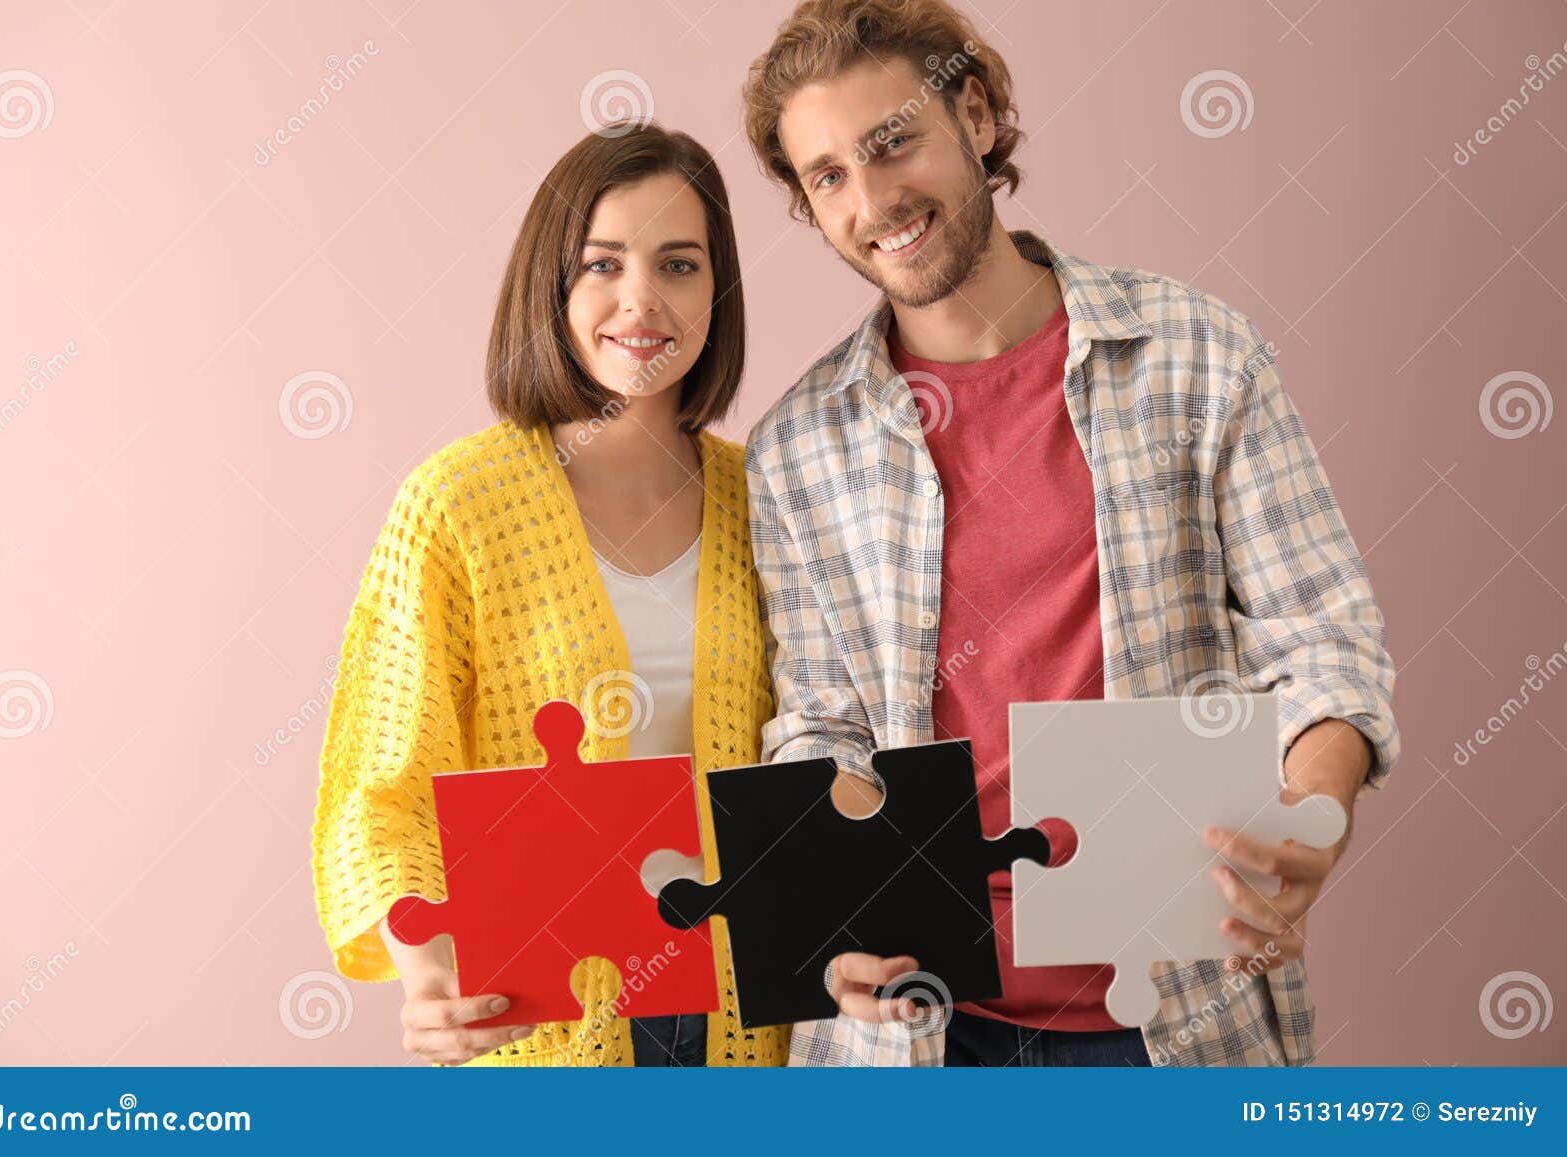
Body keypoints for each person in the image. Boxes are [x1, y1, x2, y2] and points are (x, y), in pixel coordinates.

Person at [740, 0, 1399, 1066]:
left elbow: (1320, 637)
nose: (871, 201)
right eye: (826, 176)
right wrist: (834, 903)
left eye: (891, 142)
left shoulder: (1197, 356)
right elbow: (820, 724)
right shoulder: (795, 447)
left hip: (1180, 1019)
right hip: (913, 1043)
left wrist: (1310, 809)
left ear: (980, 112)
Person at [311, 121, 788, 1068]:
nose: (640, 300)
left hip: (746, 1016)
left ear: (717, 290)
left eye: (680, 264)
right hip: (547, 1029)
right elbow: (383, 786)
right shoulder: (457, 503)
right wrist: (427, 974)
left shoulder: (767, 494)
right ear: (551, 284)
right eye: (601, 264)